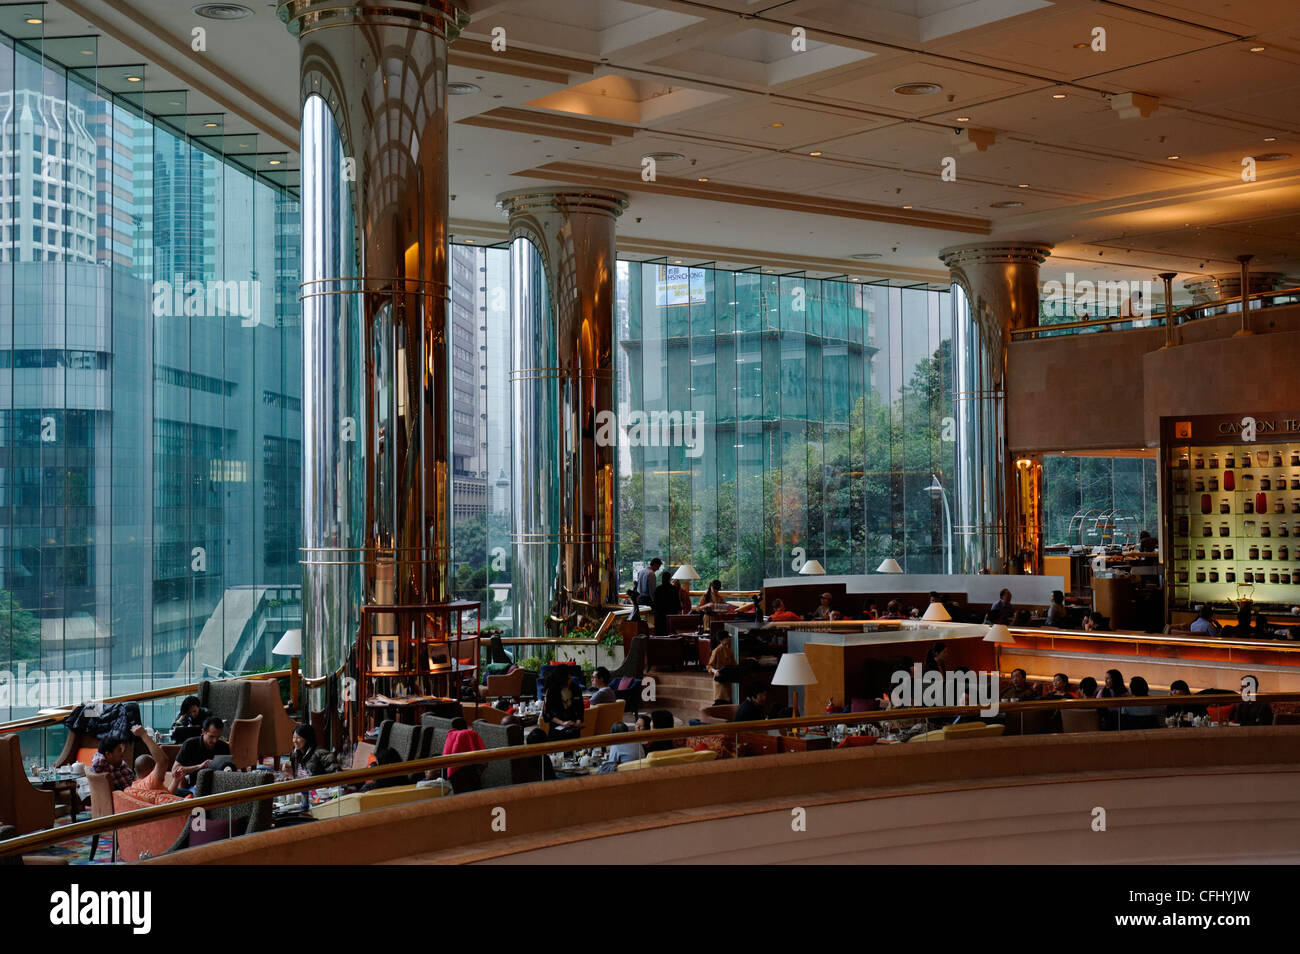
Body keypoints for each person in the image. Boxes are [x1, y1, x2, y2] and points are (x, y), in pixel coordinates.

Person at [122, 725, 188, 805]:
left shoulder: (134, 787)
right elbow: (163, 761)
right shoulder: (151, 782)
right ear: (153, 769)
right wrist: (143, 735)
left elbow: (164, 796)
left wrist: (175, 781)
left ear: (135, 770)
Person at [176, 717, 231, 785]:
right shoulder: (190, 744)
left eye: (218, 737)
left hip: (219, 785)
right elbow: (175, 770)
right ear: (203, 732)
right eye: (211, 736)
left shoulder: (224, 747)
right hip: (195, 785)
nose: (215, 741)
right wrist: (199, 766)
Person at [442, 717, 486, 792]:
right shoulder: (468, 733)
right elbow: (482, 753)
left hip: (453, 770)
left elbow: (446, 754)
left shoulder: (450, 735)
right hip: (467, 769)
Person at [543, 671, 585, 739]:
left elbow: (580, 709)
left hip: (573, 729)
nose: (571, 680)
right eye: (568, 678)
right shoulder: (551, 691)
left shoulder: (576, 689)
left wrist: (578, 723)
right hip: (556, 729)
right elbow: (547, 714)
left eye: (571, 677)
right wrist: (562, 723)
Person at [707, 632, 736, 704]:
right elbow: (709, 666)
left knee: (728, 701)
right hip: (719, 680)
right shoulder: (716, 651)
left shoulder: (730, 651)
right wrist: (715, 671)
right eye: (727, 637)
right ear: (722, 640)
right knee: (720, 701)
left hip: (727, 680)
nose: (729, 639)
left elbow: (734, 664)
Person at [653, 571, 682, 635]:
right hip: (671, 614)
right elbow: (677, 601)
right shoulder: (674, 589)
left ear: (662, 578)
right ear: (669, 579)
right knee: (670, 632)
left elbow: (655, 602)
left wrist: (655, 611)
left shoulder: (658, 589)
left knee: (660, 633)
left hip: (660, 615)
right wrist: (679, 610)